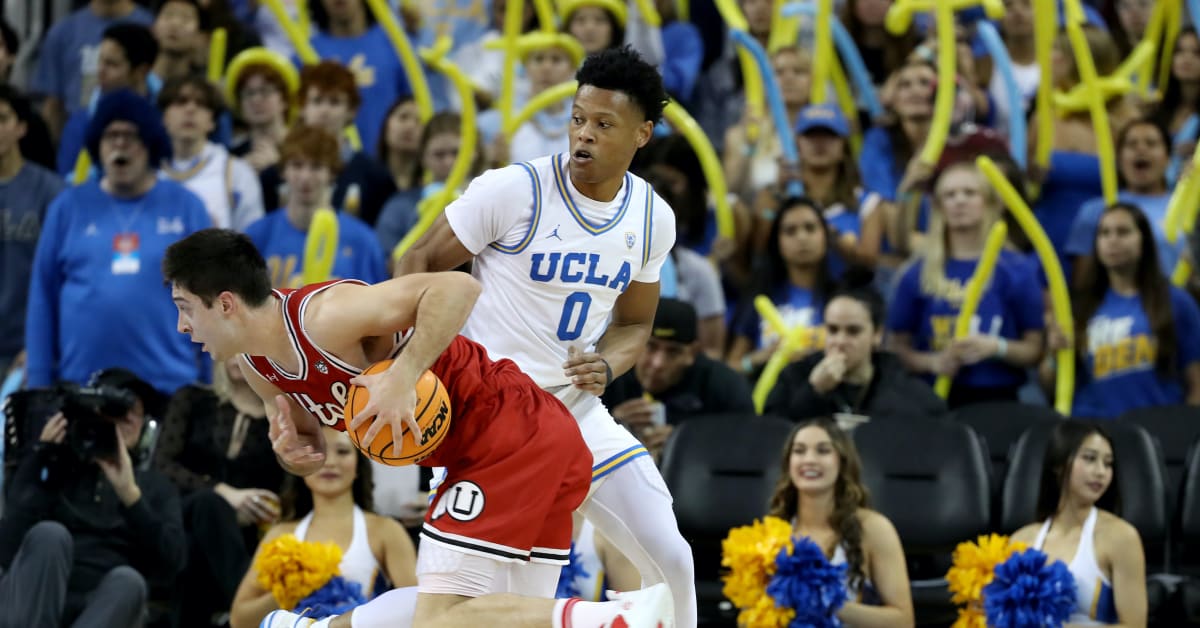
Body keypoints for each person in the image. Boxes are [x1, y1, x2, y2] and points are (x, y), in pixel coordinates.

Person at [162, 228, 673, 628]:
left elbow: (458, 286)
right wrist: (293, 450)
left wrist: (403, 375)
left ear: (225, 303)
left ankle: (618, 619)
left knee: (441, 617)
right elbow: (311, 438)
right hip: (518, 441)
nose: (183, 327)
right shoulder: (257, 365)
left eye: (186, 309)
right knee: (496, 617)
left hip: (500, 425)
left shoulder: (325, 318)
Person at [396, 45, 698, 627]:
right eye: (578, 118)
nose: (583, 135)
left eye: (604, 124)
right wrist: (413, 369)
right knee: (469, 607)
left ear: (643, 134)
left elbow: (634, 325)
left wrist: (608, 366)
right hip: (489, 418)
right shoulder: (514, 189)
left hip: (576, 415)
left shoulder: (652, 217)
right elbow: (418, 261)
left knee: (672, 557)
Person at [25, 89, 211, 395]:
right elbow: (42, 298)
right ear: (97, 144)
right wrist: (39, 382)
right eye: (111, 135)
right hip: (82, 388)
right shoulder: (68, 207)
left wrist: (212, 380)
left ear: (150, 143)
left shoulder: (187, 208)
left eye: (131, 135)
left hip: (170, 386)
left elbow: (211, 297)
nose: (120, 144)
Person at [0, 367, 185, 628]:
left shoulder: (155, 486)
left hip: (104, 606)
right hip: (40, 597)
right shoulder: (57, 468)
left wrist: (131, 496)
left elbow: (171, 565)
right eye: (118, 412)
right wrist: (40, 457)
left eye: (137, 414)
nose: (128, 421)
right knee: (50, 535)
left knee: (128, 582)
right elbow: (8, 548)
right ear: (94, 415)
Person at [886, 159, 1045, 409]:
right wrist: (933, 362)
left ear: (990, 202)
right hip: (933, 399)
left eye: (970, 193)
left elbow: (1035, 349)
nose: (959, 201)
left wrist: (997, 348)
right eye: (949, 195)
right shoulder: (916, 272)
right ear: (938, 207)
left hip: (998, 400)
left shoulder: (1018, 269)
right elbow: (896, 348)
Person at [230, 429, 417, 628]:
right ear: (300, 467)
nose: (329, 462)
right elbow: (239, 620)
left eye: (343, 452)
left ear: (358, 467)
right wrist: (288, 591)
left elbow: (421, 607)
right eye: (318, 452)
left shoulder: (386, 531)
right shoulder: (280, 535)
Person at [155, 357, 288, 628]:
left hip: (243, 532)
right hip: (181, 513)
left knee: (197, 552)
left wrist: (261, 507)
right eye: (232, 346)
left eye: (247, 348)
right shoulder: (192, 399)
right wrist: (223, 493)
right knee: (209, 505)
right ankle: (247, 606)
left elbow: (286, 488)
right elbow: (162, 466)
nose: (237, 356)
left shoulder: (281, 419)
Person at [1043, 203, 1200, 418]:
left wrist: (1186, 433)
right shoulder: (1080, 308)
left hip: (1159, 431)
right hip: (1094, 433)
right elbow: (1049, 387)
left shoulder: (1177, 302)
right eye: (1103, 233)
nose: (1112, 240)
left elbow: (1196, 382)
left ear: (1144, 239)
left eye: (1123, 232)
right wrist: (1053, 356)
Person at [767, 417, 915, 626]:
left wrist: (833, 605)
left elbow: (904, 622)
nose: (809, 459)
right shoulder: (770, 532)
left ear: (842, 462)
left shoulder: (874, 528)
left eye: (823, 450)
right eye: (799, 451)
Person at [1010, 421, 1147, 625]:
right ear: (1058, 464)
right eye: (1090, 459)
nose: (1101, 472)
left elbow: (1135, 625)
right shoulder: (1021, 540)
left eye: (1108, 463)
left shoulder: (1121, 538)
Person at [765, 273, 946, 423]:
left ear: (877, 335)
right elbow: (772, 437)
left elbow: (937, 420)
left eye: (853, 331)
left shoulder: (900, 385)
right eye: (833, 330)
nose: (840, 341)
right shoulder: (795, 376)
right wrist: (814, 392)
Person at [603, 298, 753, 459]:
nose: (657, 363)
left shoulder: (723, 386)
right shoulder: (610, 376)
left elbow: (748, 446)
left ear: (693, 353)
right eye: (651, 346)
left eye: (673, 352)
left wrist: (686, 444)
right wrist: (609, 424)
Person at [244, 124, 387, 287]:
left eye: (316, 167)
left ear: (332, 173)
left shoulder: (363, 241)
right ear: (283, 171)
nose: (305, 176)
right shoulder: (257, 235)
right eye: (297, 165)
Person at [0, 85, 65, 378]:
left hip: (26, 350)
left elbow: (63, 277)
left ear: (21, 127)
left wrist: (40, 345)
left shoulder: (51, 192)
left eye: (2, 119)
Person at [31, 0, 153, 141]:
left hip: (137, 133)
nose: (101, 69)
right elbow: (53, 105)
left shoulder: (152, 27)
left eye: (111, 63)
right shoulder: (62, 32)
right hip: (78, 134)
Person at [158, 73, 264, 231]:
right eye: (181, 102)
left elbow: (253, 240)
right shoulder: (148, 173)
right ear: (164, 116)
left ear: (212, 121)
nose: (190, 109)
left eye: (201, 104)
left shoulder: (236, 173)